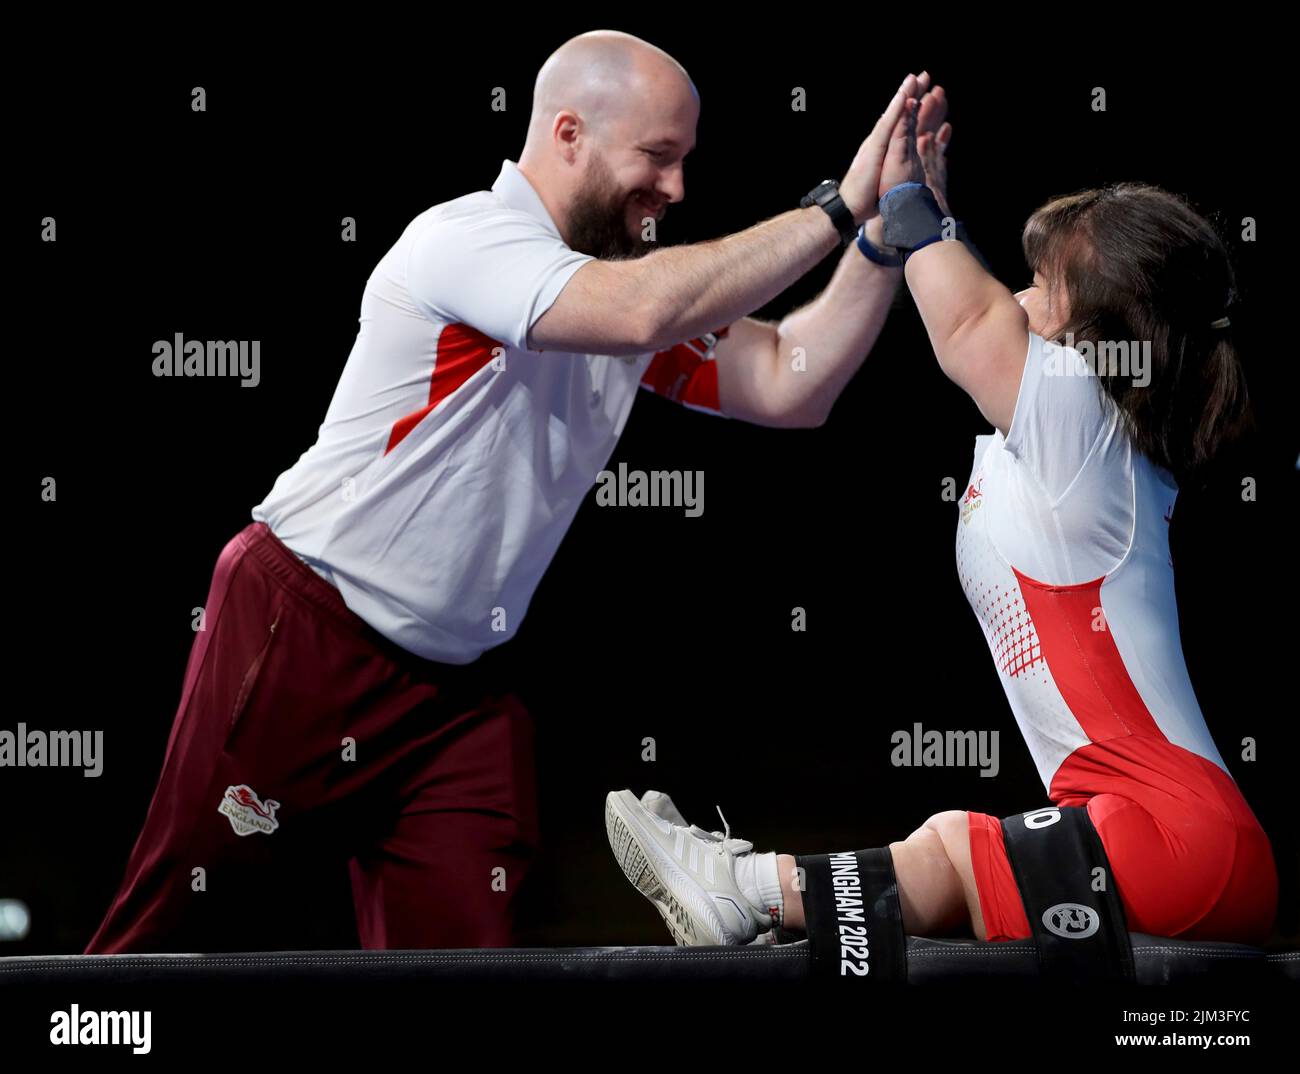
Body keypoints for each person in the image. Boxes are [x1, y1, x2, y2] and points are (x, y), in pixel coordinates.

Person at [84, 34, 929, 953]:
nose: (676, 190)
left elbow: (788, 382)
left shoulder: (619, 289)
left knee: (467, 976)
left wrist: (882, 235)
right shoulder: (467, 240)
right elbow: (643, 309)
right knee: (171, 935)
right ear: (568, 133)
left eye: (685, 162)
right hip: (303, 631)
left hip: (458, 701)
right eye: (657, 158)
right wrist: (835, 208)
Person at [605, 82, 1278, 951]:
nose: (1018, 298)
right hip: (1146, 838)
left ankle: (747, 889)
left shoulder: (1088, 418)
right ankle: (759, 900)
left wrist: (903, 200)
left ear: (1102, 329)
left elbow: (966, 322)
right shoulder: (1063, 443)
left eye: (1040, 287)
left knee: (955, 845)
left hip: (1179, 842)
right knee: (954, 858)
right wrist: (915, 213)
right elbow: (957, 313)